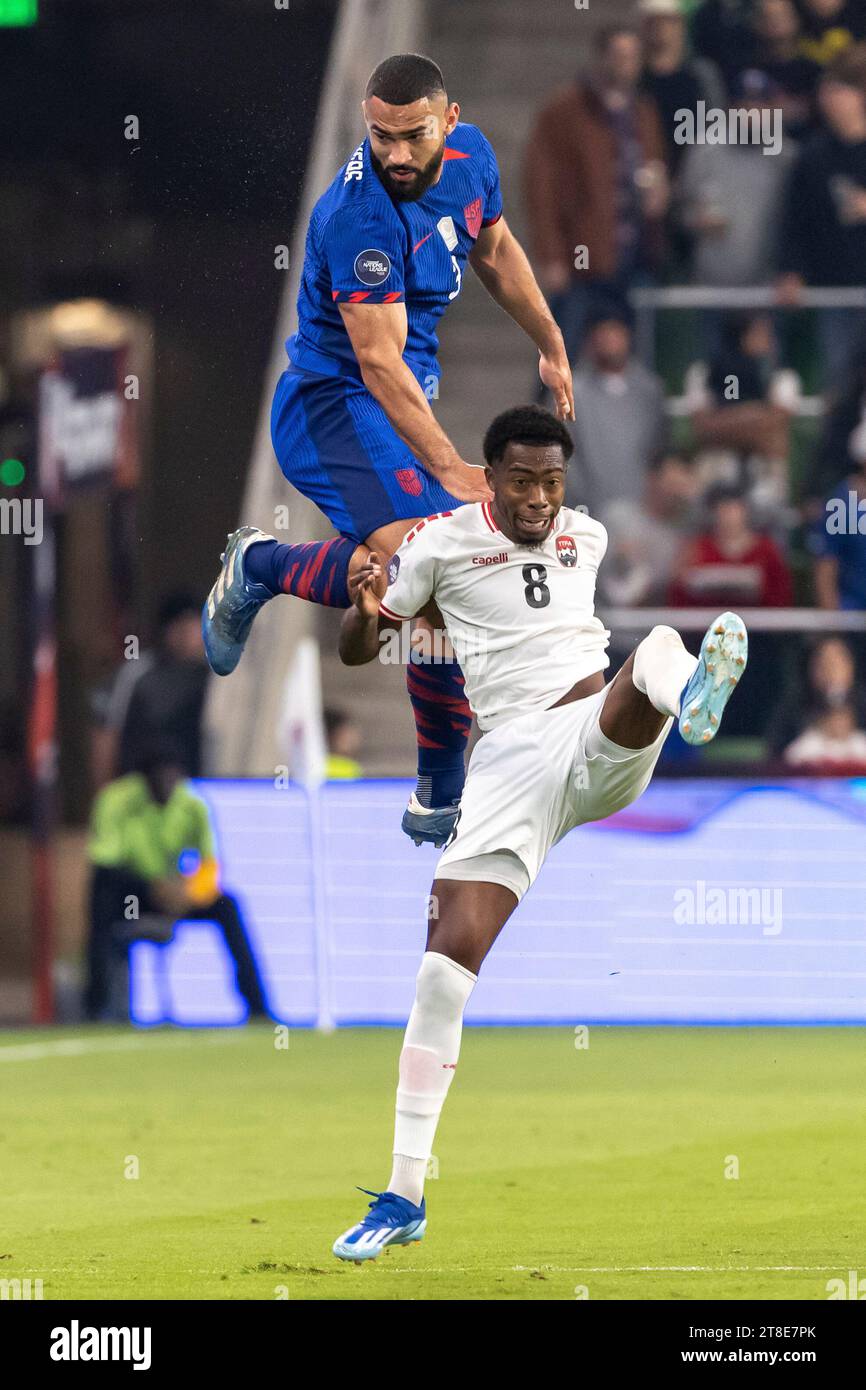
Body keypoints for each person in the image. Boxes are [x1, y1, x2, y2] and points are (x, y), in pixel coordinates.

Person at [330, 405, 748, 1260]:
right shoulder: (442, 543)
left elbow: (581, 549)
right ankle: (405, 1195)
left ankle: (692, 701)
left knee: (659, 644)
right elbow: (360, 642)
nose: (539, 500)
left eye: (552, 483)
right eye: (522, 481)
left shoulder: (585, 537)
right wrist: (365, 608)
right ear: (491, 478)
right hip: (513, 763)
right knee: (442, 975)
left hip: (597, 732)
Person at [201, 53, 572, 853]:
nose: (395, 154)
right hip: (331, 409)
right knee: (432, 565)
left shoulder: (472, 157)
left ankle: (260, 568)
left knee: (433, 569)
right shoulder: (356, 216)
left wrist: (550, 341)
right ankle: (441, 783)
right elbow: (375, 361)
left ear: (449, 119)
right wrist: (447, 467)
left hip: (398, 402)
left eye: (411, 136)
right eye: (380, 137)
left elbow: (497, 250)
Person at [85, 742, 270, 1022]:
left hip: (175, 895)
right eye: (160, 778)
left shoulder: (192, 804)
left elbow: (209, 864)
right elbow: (106, 865)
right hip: (131, 896)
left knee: (227, 905)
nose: (168, 785)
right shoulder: (116, 800)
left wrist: (189, 893)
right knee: (102, 901)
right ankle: (97, 1007)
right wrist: (151, 887)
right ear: (145, 779)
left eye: (174, 777)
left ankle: (257, 1006)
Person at [523, 24, 669, 368]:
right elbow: (539, 186)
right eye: (619, 56)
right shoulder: (564, 111)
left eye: (633, 57)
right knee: (563, 353)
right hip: (582, 255)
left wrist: (659, 195)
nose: (626, 65)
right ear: (601, 58)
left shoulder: (643, 111)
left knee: (630, 357)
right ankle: (547, 420)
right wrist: (551, 256)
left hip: (633, 254)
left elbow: (656, 167)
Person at [777, 43, 866, 382]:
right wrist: (791, 270)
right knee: (841, 380)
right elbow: (795, 220)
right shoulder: (814, 155)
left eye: (838, 91)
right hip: (835, 286)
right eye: (826, 91)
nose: (828, 100)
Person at [91, 592, 209, 788]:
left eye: (195, 626)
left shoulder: (217, 676)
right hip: (142, 793)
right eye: (182, 628)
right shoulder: (137, 674)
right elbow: (107, 733)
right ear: (166, 631)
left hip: (199, 791)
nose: (189, 636)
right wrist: (106, 795)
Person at [566, 305, 668, 515]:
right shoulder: (572, 393)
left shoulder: (649, 390)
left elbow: (658, 451)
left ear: (628, 336)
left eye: (615, 333)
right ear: (590, 341)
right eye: (602, 335)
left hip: (643, 512)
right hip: (589, 510)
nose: (609, 341)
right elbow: (566, 458)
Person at [599, 449, 700, 607]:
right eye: (672, 484)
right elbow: (620, 595)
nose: (677, 492)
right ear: (652, 480)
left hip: (669, 625)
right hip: (619, 625)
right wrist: (624, 562)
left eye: (683, 486)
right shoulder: (620, 519)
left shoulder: (688, 531)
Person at [669, 483, 794, 606]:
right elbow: (679, 595)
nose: (728, 517)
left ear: (745, 511)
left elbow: (781, 595)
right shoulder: (696, 549)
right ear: (712, 514)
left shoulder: (766, 549)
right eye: (722, 511)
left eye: (733, 510)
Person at [640, 0, 726, 173]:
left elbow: (716, 126)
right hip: (648, 173)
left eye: (667, 21)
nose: (660, 29)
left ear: (680, 26)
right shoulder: (636, 77)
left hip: (693, 170)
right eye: (653, 22)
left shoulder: (701, 75)